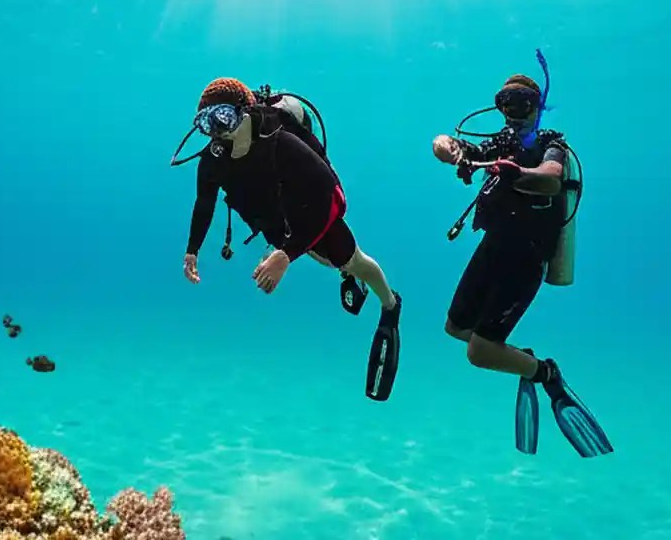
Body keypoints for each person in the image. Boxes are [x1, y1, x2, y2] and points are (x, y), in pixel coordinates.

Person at [176, 78, 404, 401]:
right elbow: (204, 203)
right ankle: (338, 270)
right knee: (323, 259)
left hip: (313, 208)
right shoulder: (213, 159)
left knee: (353, 261)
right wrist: (192, 250)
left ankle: (391, 304)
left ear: (244, 111)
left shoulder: (281, 143)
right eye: (205, 123)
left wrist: (285, 255)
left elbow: (335, 200)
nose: (215, 131)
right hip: (274, 220)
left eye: (222, 119)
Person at [432, 69, 612, 457]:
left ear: (538, 106)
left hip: (526, 255)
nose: (513, 112)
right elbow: (442, 143)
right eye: (505, 103)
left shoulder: (551, 144)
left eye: (522, 104)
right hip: (494, 246)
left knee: (479, 353)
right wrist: (455, 152)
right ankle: (520, 359)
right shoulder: (499, 143)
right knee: (455, 328)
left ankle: (546, 374)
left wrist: (520, 173)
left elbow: (550, 178)